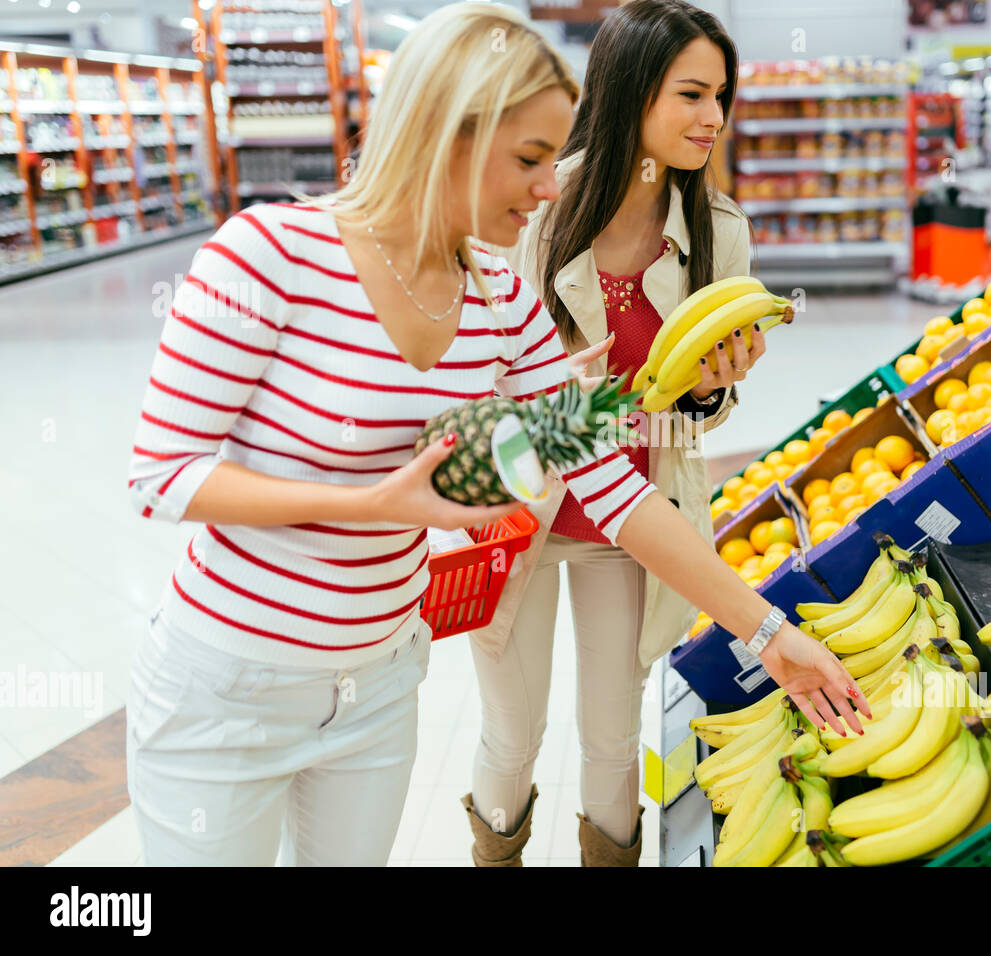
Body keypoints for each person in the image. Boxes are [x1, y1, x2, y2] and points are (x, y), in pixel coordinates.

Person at [125, 1, 860, 867]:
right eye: (530, 159)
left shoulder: (501, 301)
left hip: (380, 681)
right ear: (445, 131)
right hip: (232, 680)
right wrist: (372, 503)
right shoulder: (267, 254)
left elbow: (611, 484)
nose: (553, 188)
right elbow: (162, 474)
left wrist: (769, 636)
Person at [464, 0, 775, 867]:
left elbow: (698, 414)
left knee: (612, 739)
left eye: (721, 95)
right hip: (519, 514)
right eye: (691, 94)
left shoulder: (720, 235)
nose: (713, 118)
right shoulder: (534, 214)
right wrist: (559, 392)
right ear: (632, 90)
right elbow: (474, 380)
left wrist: (714, 393)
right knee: (511, 736)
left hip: (633, 519)